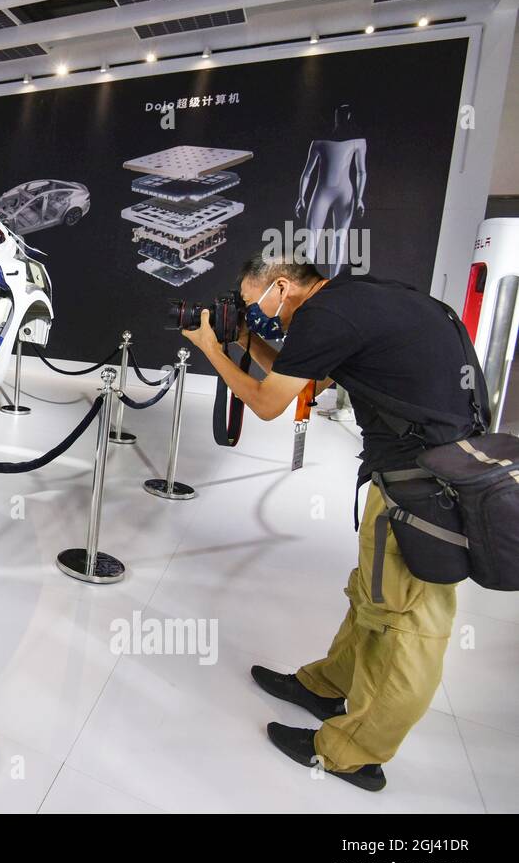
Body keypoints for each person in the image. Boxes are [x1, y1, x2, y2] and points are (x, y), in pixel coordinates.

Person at [181, 252, 485, 792]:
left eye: (254, 308)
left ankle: (352, 753)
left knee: (404, 623)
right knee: (372, 595)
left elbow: (269, 402)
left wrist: (210, 347)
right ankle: (326, 687)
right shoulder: (349, 301)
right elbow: (303, 380)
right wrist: (241, 341)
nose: (254, 318)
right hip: (415, 470)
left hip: (425, 485)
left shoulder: (325, 316)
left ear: (281, 286)